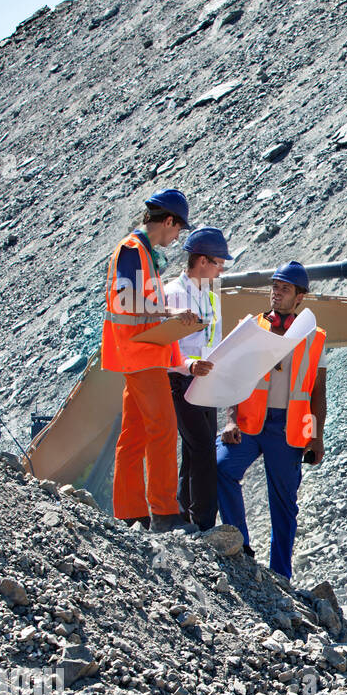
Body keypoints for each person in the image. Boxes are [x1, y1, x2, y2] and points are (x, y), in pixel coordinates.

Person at [216, 261, 327, 578]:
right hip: (250, 422)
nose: (277, 294)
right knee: (222, 466)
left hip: (289, 429)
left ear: (300, 297)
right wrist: (230, 420)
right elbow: (234, 378)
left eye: (285, 289)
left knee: (284, 506)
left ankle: (281, 574)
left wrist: (315, 437)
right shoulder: (251, 327)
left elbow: (316, 393)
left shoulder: (315, 337)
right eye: (274, 287)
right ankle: (241, 548)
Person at [103, 188, 201, 533]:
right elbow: (125, 301)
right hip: (141, 354)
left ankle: (130, 513)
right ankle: (164, 514)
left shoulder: (143, 253)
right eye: (178, 230)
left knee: (135, 435)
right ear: (169, 221)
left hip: (141, 354)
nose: (177, 237)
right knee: (163, 429)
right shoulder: (133, 250)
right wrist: (170, 310)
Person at [165, 226, 231, 531]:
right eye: (219, 263)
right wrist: (190, 367)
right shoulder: (173, 295)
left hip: (205, 382)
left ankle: (185, 515)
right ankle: (204, 524)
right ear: (202, 261)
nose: (221, 270)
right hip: (182, 382)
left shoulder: (210, 294)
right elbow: (168, 347)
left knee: (195, 451)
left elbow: (212, 338)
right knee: (204, 449)